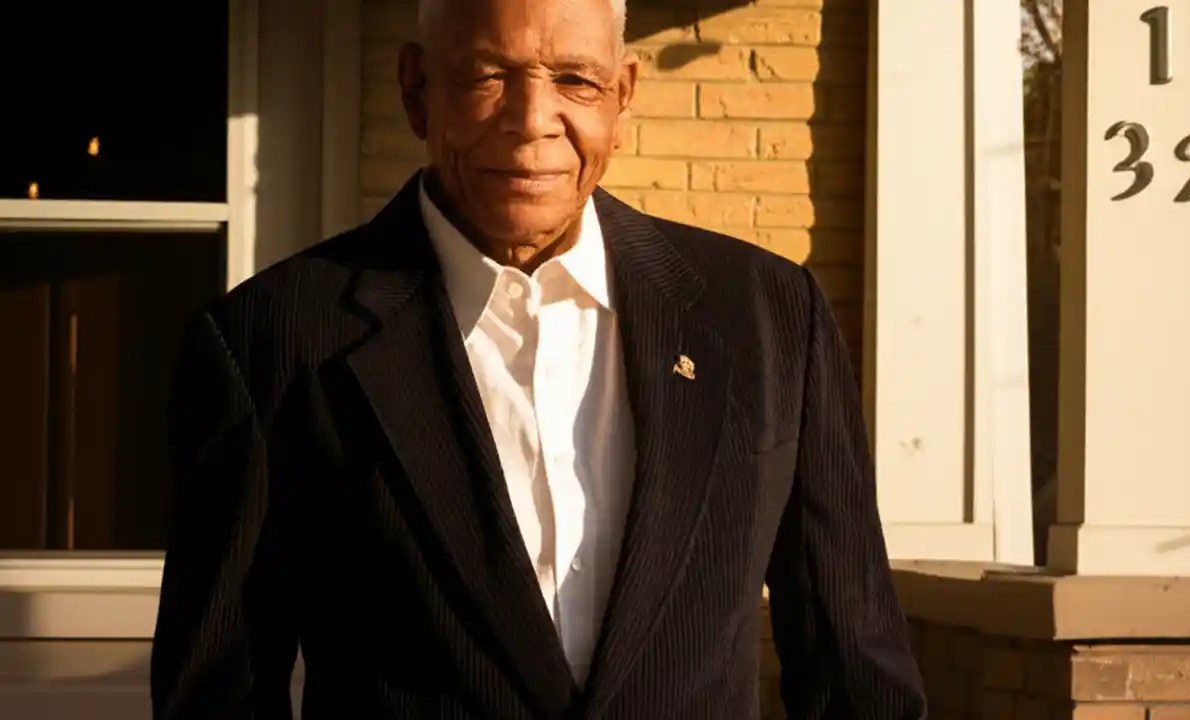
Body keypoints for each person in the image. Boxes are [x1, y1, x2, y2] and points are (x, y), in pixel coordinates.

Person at [150, 0, 926, 716]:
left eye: (575, 80)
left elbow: (853, 666)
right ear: (417, 88)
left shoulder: (767, 316)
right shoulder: (271, 342)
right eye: (489, 75)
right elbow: (219, 693)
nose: (532, 121)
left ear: (622, 96)